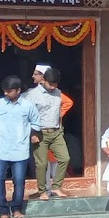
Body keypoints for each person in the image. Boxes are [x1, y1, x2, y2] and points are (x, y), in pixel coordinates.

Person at [0, 75, 39, 218]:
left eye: (9, 91)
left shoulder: (28, 106)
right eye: (5, 91)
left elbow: (36, 123)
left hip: (20, 149)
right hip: (0, 149)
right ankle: (3, 210)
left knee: (19, 179)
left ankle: (17, 208)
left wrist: (32, 135)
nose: (6, 94)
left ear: (18, 90)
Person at [26, 66, 72, 200]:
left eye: (55, 84)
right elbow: (26, 115)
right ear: (43, 81)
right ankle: (42, 191)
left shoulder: (58, 92)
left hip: (56, 132)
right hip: (40, 133)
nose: (52, 87)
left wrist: (60, 127)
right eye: (50, 84)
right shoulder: (32, 95)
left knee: (65, 158)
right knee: (41, 164)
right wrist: (32, 133)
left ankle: (56, 186)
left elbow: (60, 109)